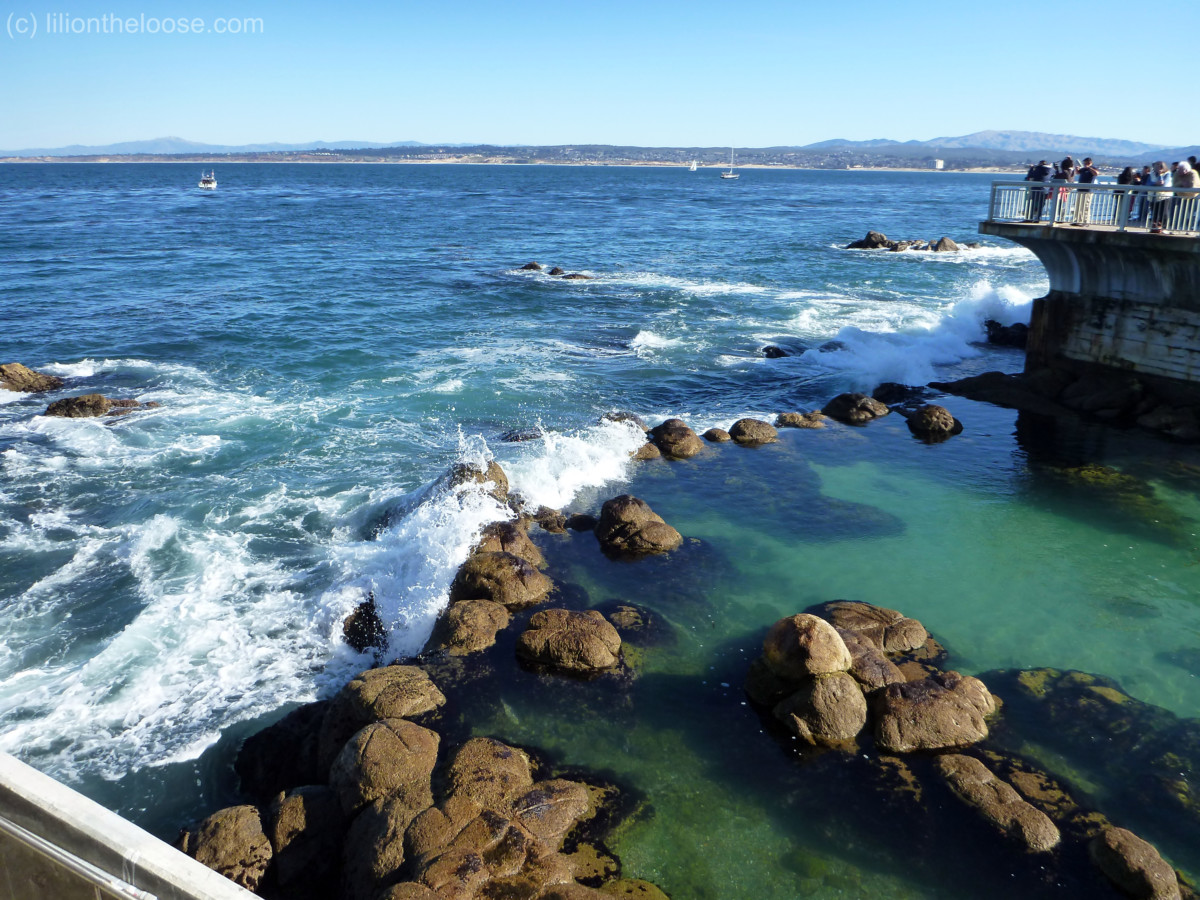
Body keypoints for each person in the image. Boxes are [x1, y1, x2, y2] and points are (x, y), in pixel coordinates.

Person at [1146, 161, 1173, 233]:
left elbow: (1164, 184)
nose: (1157, 168)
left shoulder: (1168, 174)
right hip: (1153, 196)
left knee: (1164, 212)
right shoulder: (1151, 174)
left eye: (1159, 166)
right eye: (1155, 166)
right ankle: (1154, 227)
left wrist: (1160, 175)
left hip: (1164, 196)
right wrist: (1155, 183)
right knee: (1154, 213)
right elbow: (1148, 184)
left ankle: (1163, 227)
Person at [1172, 160, 1199, 233]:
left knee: (1193, 213)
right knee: (1179, 212)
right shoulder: (1176, 173)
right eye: (1179, 169)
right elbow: (1174, 185)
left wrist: (1182, 188)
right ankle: (1177, 228)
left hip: (1193, 196)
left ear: (1187, 170)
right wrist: (1182, 183)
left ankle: (1192, 229)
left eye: (1182, 170)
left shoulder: (1193, 173)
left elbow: (1193, 186)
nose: (1179, 171)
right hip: (1181, 196)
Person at [1073, 157, 1099, 224]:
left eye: (1087, 162)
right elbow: (1078, 172)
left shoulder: (1093, 168)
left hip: (1088, 190)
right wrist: (1077, 169)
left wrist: (1089, 168)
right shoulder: (1083, 169)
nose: (1085, 164)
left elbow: (1096, 173)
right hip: (1080, 189)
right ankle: (1077, 220)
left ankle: (1085, 221)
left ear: (1090, 163)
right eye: (1085, 163)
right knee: (1078, 205)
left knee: (1086, 206)